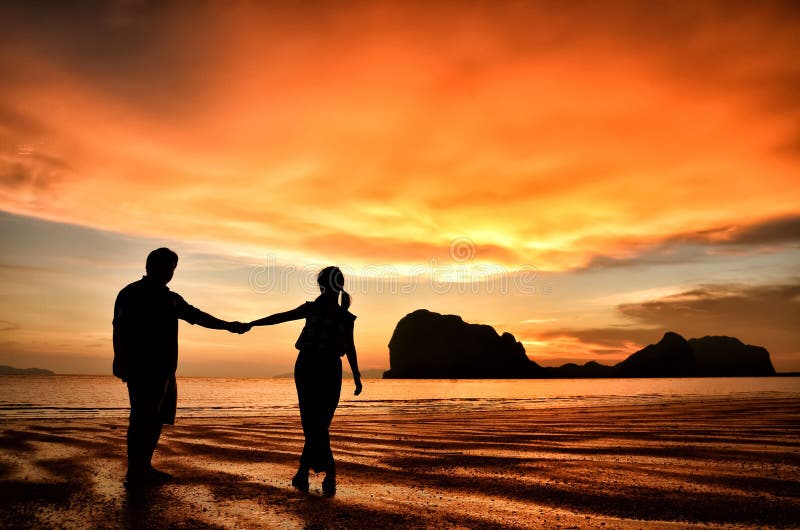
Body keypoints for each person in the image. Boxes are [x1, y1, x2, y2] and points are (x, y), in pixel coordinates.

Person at [113, 247, 250, 486]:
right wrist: (120, 358)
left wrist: (229, 325)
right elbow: (119, 327)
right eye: (165, 266)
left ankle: (144, 466)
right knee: (141, 417)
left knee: (156, 419)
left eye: (172, 267)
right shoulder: (131, 293)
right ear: (149, 266)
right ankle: (135, 471)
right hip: (141, 366)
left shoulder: (171, 298)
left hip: (166, 368)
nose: (169, 271)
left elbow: (197, 316)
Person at [248, 266, 361, 497]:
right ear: (327, 285)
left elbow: (350, 347)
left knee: (319, 424)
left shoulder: (345, 317)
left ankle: (305, 471)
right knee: (313, 423)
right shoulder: (311, 309)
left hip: (330, 368)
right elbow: (281, 317)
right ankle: (327, 473)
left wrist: (357, 376)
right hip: (308, 366)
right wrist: (253, 323)